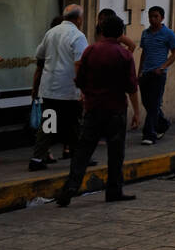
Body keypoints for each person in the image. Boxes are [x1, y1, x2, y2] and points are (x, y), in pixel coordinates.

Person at [55, 13, 140, 207]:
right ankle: (114, 190)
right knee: (116, 153)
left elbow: (80, 80)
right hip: (116, 109)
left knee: (83, 151)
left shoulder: (90, 51)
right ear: (121, 33)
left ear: (101, 31)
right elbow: (131, 87)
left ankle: (70, 187)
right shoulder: (124, 55)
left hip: (93, 108)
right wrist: (136, 111)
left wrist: (88, 95)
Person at [28, 4, 87, 171]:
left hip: (49, 88)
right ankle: (78, 157)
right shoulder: (78, 35)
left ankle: (37, 158)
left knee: (48, 124)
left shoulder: (50, 33)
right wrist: (82, 87)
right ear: (79, 19)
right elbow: (79, 63)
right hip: (68, 89)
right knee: (74, 124)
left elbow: (39, 55)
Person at [138, 6, 175, 145]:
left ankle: (149, 134)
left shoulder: (168, 34)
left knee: (154, 103)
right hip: (146, 73)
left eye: (156, 16)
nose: (152, 19)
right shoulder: (145, 34)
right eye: (150, 16)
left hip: (158, 74)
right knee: (147, 103)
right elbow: (143, 53)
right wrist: (140, 71)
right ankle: (163, 123)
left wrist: (163, 67)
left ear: (162, 18)